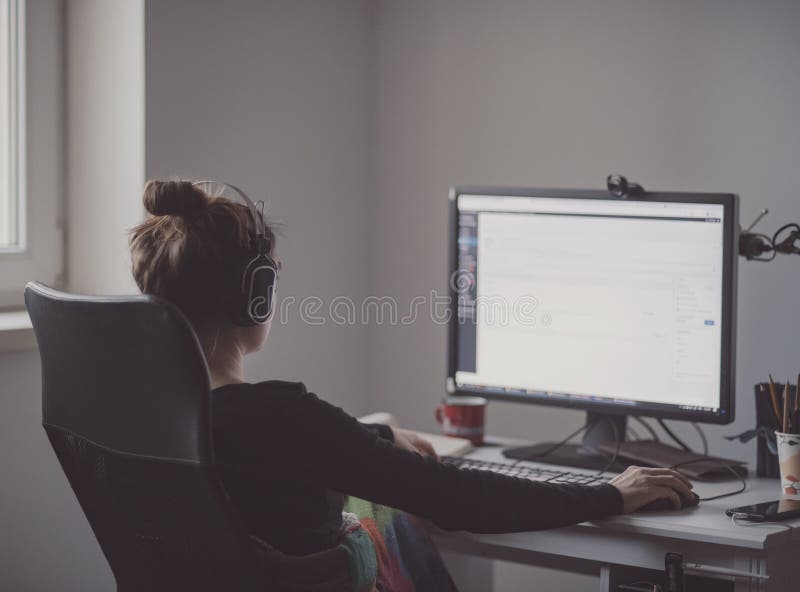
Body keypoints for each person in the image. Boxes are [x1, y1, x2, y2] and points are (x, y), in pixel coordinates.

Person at [129, 179, 695, 583]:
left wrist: (375, 436)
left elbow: (298, 451)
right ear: (255, 295)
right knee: (393, 513)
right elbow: (454, 499)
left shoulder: (140, 412)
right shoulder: (282, 417)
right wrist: (610, 494)